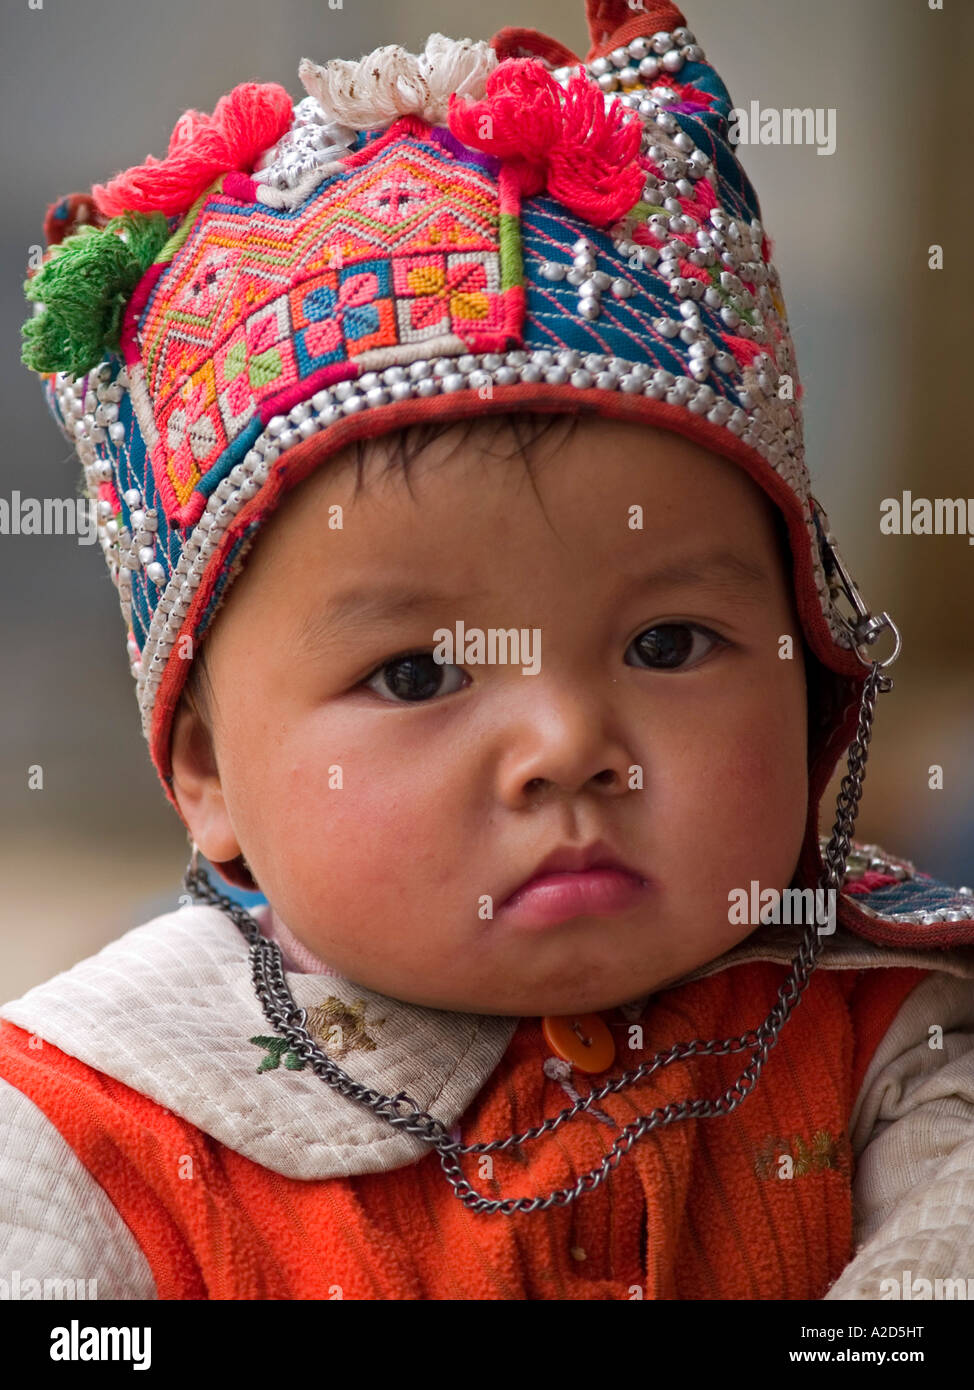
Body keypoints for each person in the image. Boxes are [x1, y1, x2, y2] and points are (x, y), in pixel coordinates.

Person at [3, 0, 973, 1301]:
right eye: (415, 674)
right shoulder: (90, 1138)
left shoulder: (888, 1043)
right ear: (204, 769)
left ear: (813, 661)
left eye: (668, 641)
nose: (568, 744)